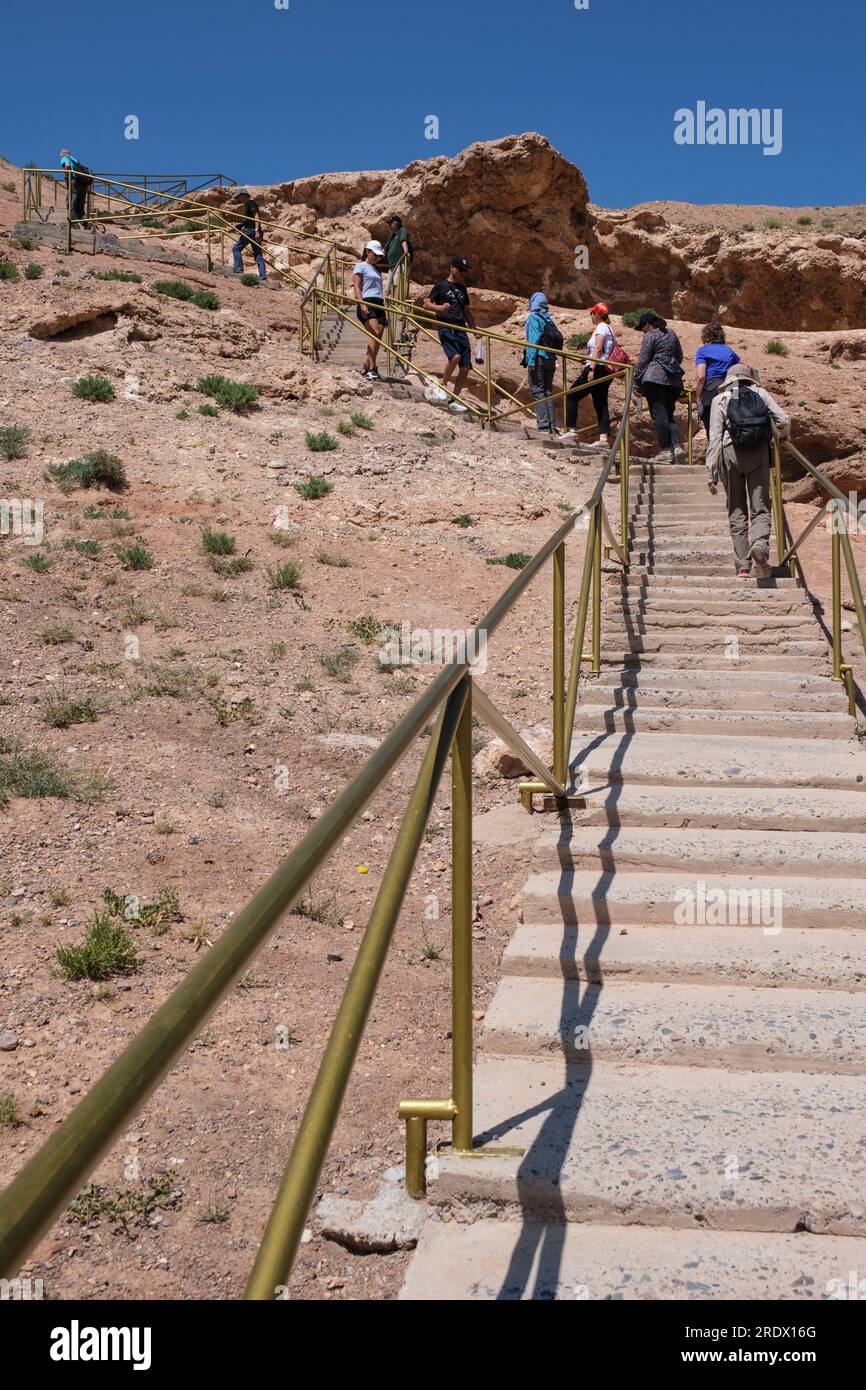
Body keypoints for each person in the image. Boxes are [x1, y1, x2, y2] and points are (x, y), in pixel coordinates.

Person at [706, 363, 790, 579]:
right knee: (761, 506)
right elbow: (783, 420)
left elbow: (715, 437)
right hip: (758, 452)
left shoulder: (720, 399)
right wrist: (783, 436)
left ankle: (743, 565)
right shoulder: (760, 392)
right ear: (749, 378)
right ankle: (760, 545)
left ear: (729, 380)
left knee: (736, 508)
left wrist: (711, 472)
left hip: (729, 452)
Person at [422, 256, 481, 414]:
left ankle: (454, 400)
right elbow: (426, 303)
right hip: (446, 326)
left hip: (461, 328)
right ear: (451, 268)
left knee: (465, 367)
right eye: (460, 270)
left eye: (465, 271)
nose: (463, 273)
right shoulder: (441, 286)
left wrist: (474, 330)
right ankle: (443, 385)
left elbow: (466, 311)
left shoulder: (462, 289)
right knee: (455, 357)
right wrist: (439, 308)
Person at [561, 302, 618, 448]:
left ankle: (571, 431)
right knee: (601, 403)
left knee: (571, 395)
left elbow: (598, 348)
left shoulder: (601, 327)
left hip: (597, 367)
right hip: (607, 369)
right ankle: (603, 439)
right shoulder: (610, 328)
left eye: (592, 313)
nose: (591, 316)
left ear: (598, 314)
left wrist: (591, 368)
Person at [633, 311, 686, 462]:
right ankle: (676, 446)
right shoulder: (672, 333)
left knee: (659, 415)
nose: (642, 331)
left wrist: (636, 382)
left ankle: (665, 451)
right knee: (669, 415)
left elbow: (643, 360)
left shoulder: (650, 335)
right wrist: (669, 363)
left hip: (654, 378)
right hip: (674, 381)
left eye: (642, 327)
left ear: (648, 325)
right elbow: (680, 356)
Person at [695, 323, 740, 435]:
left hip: (711, 392)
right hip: (732, 390)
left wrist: (698, 399)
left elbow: (701, 377)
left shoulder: (703, 351)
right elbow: (746, 367)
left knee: (714, 433)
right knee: (730, 432)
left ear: (705, 336)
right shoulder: (729, 350)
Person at [352, 240, 388, 381]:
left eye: (379, 256)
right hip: (367, 302)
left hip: (379, 303)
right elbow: (357, 286)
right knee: (374, 334)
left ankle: (366, 367)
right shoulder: (360, 266)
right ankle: (372, 369)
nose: (377, 258)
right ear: (368, 252)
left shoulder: (377, 269)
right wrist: (361, 304)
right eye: (375, 254)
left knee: (377, 338)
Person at [524, 293, 559, 433]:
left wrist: (531, 361)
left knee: (538, 391)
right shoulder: (549, 320)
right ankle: (551, 426)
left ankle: (543, 426)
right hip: (551, 359)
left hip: (538, 358)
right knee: (548, 392)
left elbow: (533, 341)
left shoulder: (534, 318)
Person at [231, 192, 268, 284]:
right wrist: (235, 228)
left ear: (243, 196)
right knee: (258, 255)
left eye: (238, 197)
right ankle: (263, 277)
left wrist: (256, 231)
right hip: (254, 231)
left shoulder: (250, 203)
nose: (238, 200)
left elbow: (256, 217)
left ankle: (238, 270)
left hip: (250, 231)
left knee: (236, 248)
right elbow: (246, 221)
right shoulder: (249, 204)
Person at [59, 149, 91, 225]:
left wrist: (67, 177)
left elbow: (67, 165)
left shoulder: (64, 158)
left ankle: (74, 224)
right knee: (80, 205)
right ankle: (86, 223)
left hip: (75, 181)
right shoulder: (75, 159)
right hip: (83, 183)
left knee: (71, 203)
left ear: (62, 154)